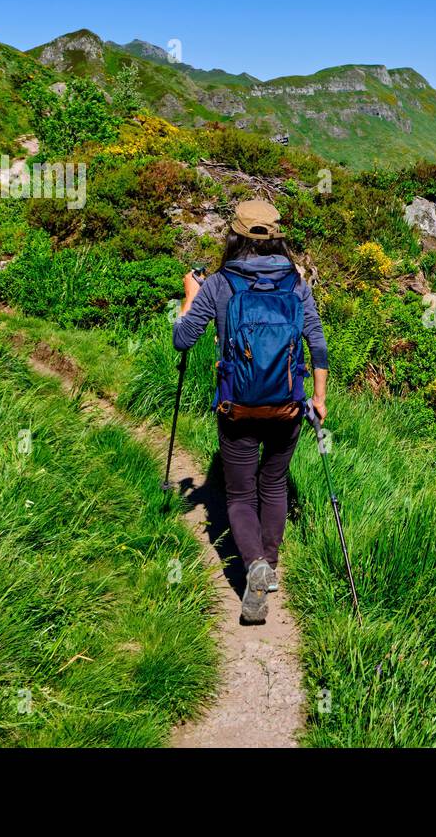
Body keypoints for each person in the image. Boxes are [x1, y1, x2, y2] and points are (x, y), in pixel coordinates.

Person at [174, 198, 329, 624]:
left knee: (240, 495)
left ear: (234, 236)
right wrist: (318, 399)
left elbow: (183, 340)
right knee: (274, 484)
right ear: (278, 236)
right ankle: (271, 568)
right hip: (287, 405)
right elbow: (317, 344)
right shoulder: (296, 283)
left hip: (236, 406)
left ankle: (253, 566)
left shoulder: (220, 283)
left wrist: (190, 298)